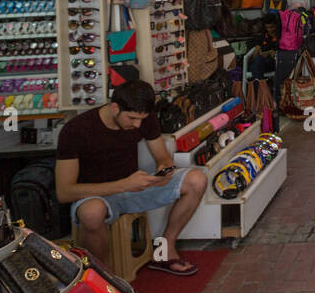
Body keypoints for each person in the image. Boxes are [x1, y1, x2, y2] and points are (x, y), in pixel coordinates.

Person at [55, 80, 207, 276]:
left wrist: (165, 168)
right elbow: (64, 192)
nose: (138, 125)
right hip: (96, 195)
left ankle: (165, 250)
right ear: (114, 107)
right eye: (132, 118)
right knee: (92, 213)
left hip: (133, 187)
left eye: (142, 119)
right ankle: (103, 277)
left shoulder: (144, 117)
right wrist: (123, 185)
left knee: (197, 180)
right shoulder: (76, 130)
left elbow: (162, 156)